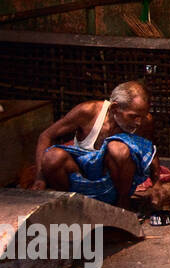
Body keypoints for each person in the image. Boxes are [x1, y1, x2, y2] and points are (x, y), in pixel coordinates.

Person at [31, 80, 159, 208]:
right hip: (80, 179)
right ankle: (67, 204)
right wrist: (40, 178)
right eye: (133, 116)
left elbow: (150, 152)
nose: (138, 122)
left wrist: (156, 183)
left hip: (114, 186)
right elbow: (46, 136)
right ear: (114, 108)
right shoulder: (87, 112)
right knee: (52, 157)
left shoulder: (144, 122)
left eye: (142, 116)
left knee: (118, 148)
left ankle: (122, 205)